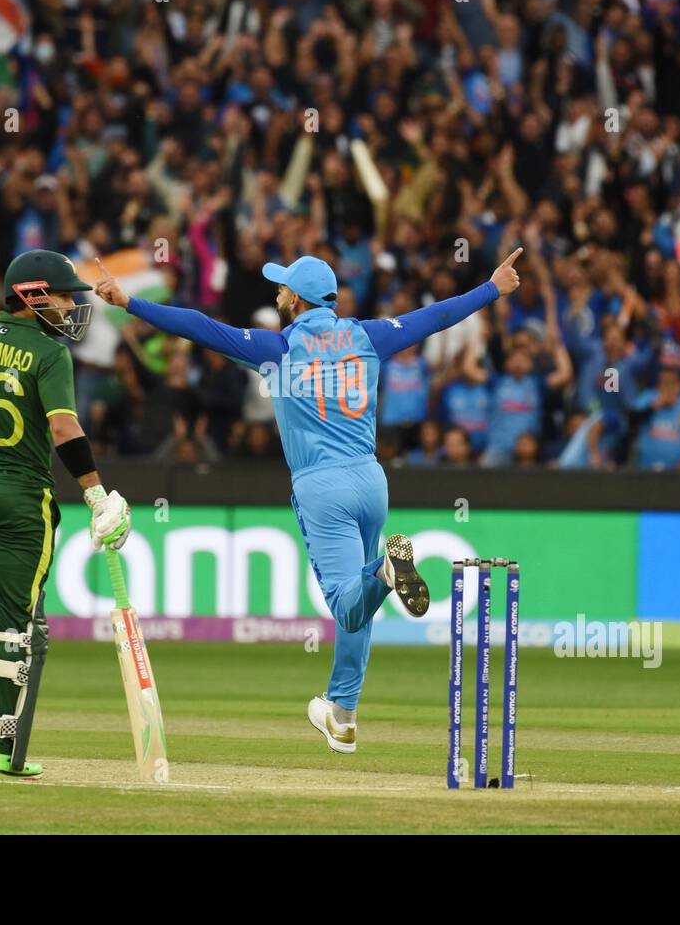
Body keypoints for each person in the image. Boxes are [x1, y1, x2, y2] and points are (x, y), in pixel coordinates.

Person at [92, 250, 523, 753]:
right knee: (356, 603)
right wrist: (491, 288)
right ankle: (342, 711)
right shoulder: (368, 335)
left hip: (322, 488)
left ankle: (386, 573)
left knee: (346, 601)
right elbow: (435, 317)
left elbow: (197, 326)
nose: (276, 294)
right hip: (371, 480)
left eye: (281, 288)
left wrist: (131, 302)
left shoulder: (276, 348)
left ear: (296, 298)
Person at [0, 250, 131, 780]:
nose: (69, 306)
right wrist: (97, 494)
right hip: (21, 502)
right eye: (63, 295)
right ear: (33, 295)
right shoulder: (49, 354)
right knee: (12, 627)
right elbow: (64, 430)